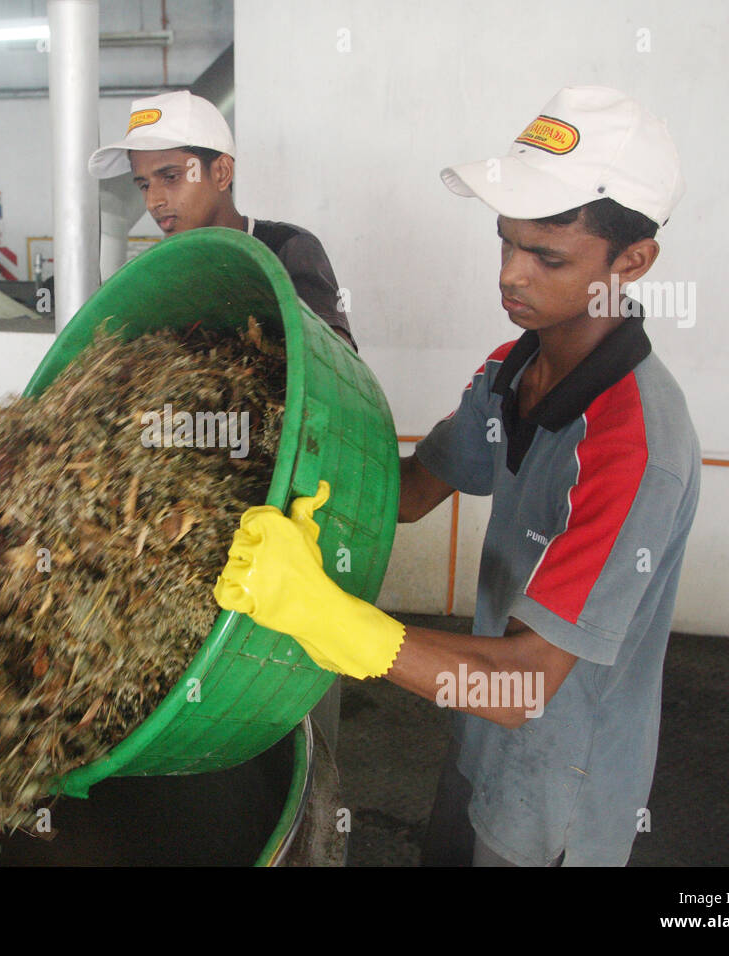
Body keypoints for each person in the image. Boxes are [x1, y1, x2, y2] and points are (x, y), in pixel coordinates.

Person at [213, 86, 701, 867]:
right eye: (504, 242)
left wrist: (329, 618)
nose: (510, 275)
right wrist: (283, 461)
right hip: (479, 729)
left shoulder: (635, 447)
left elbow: (524, 690)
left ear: (634, 262)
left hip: (557, 783)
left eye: (546, 257)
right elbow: (406, 496)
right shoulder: (514, 369)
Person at [88, 90, 358, 352]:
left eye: (171, 177)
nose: (153, 202)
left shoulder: (288, 249)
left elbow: (336, 365)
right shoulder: (160, 278)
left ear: (221, 172)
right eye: (144, 185)